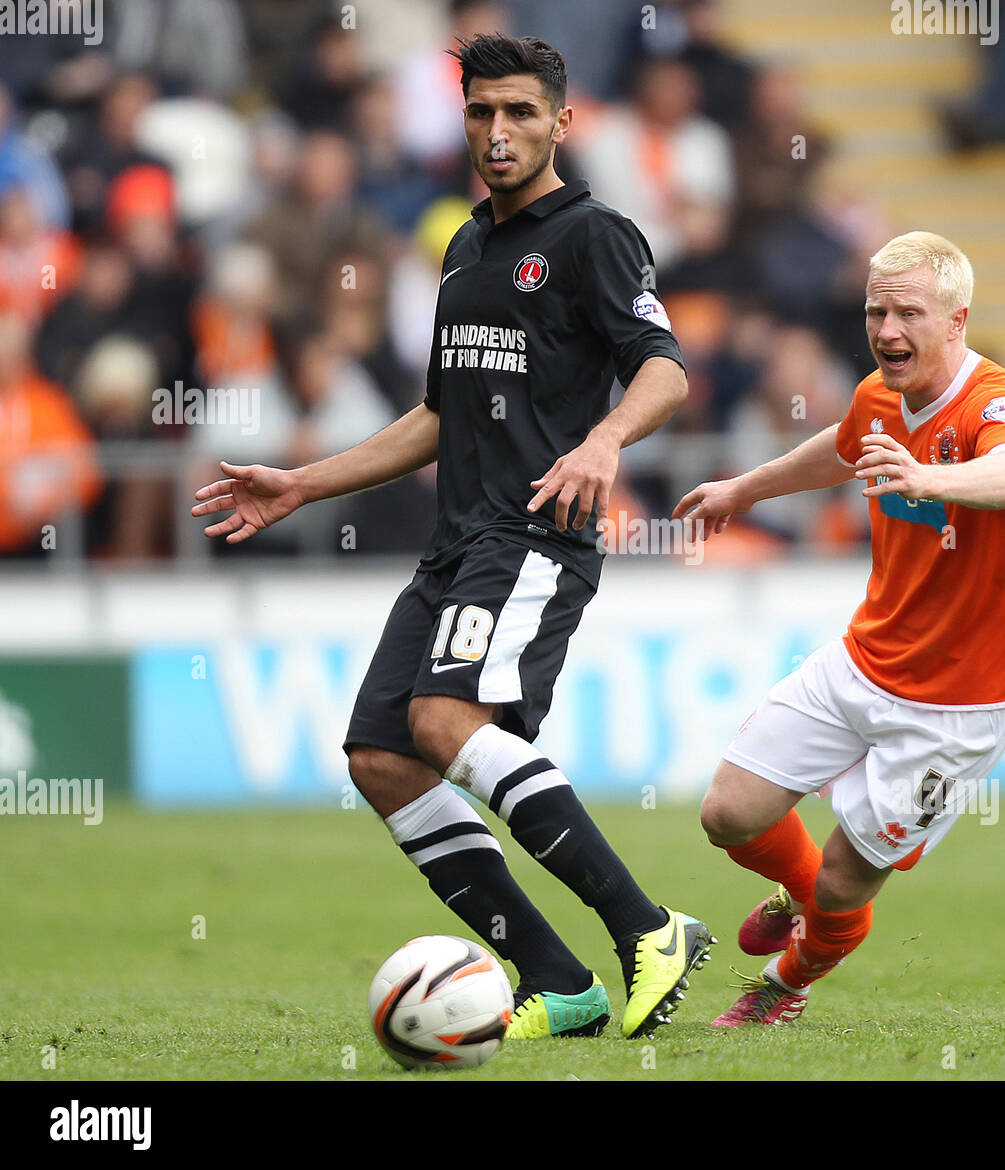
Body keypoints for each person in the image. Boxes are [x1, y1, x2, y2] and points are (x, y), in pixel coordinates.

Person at [192, 34, 712, 1040]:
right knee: (382, 758)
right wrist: (302, 482)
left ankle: (649, 928)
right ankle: (559, 982)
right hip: (458, 542)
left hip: (535, 537)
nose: (498, 131)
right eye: (481, 112)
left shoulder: (594, 235)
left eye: (519, 112)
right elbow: (441, 415)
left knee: (442, 721)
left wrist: (604, 440)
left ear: (561, 122)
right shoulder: (466, 247)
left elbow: (666, 368)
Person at [673, 231, 1005, 1025]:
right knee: (728, 813)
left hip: (963, 700)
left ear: (956, 321)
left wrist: (927, 476)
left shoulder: (999, 406)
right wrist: (745, 489)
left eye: (909, 313)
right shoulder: (881, 394)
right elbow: (844, 447)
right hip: (867, 656)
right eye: (878, 311)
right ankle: (804, 893)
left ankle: (787, 984)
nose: (887, 330)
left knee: (850, 879)